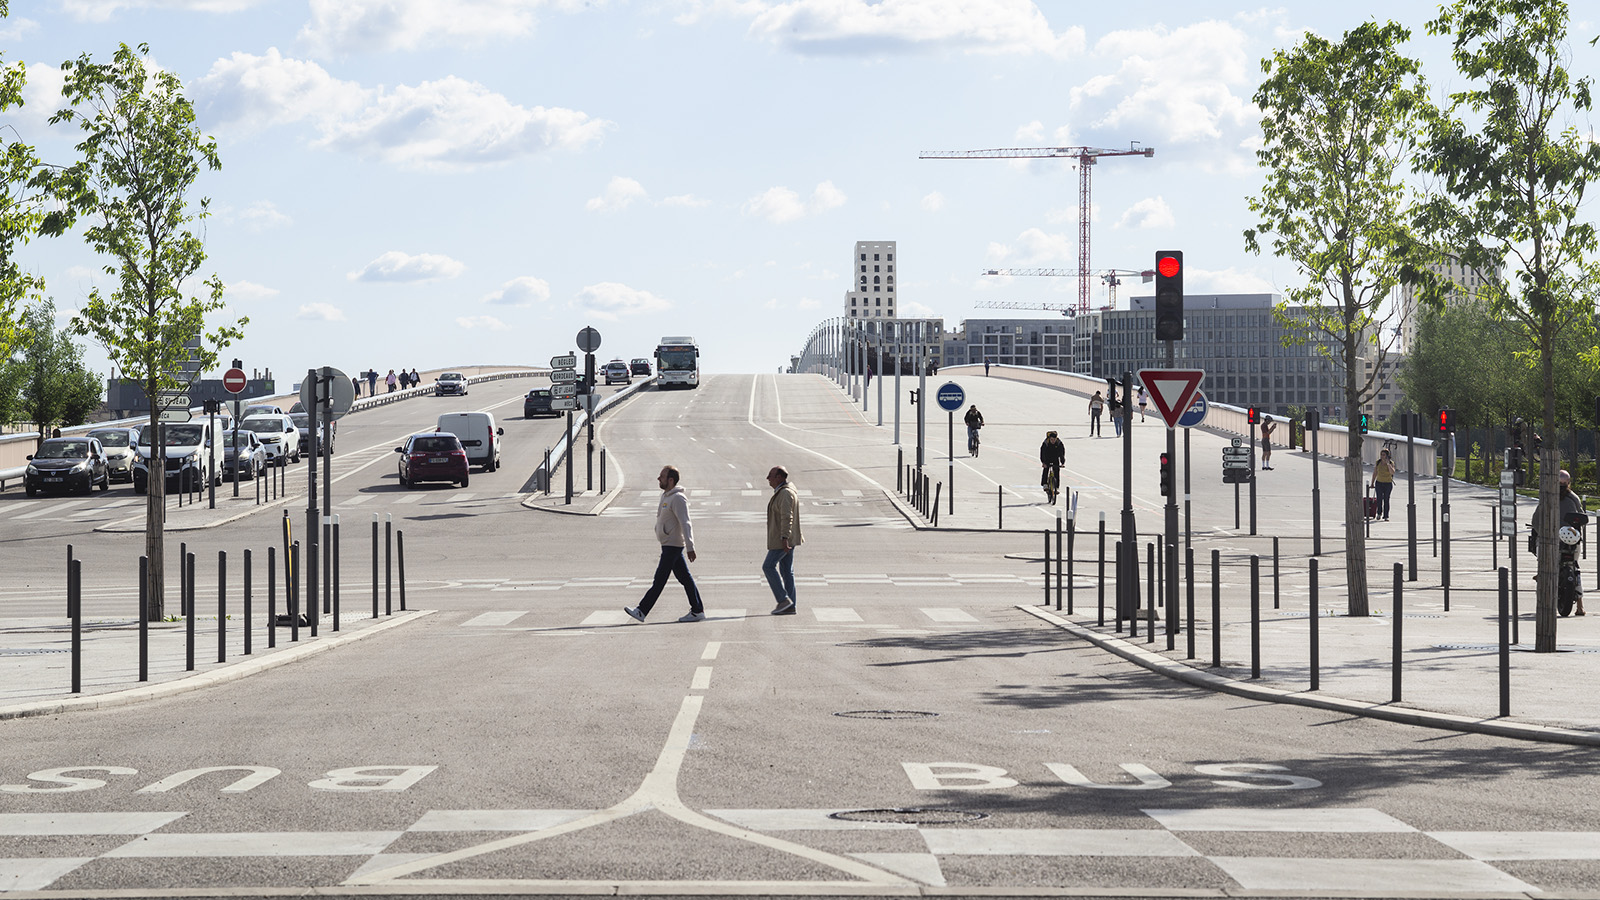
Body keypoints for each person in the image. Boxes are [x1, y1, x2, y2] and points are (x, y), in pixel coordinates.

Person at [625, 465, 705, 623]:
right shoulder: (666, 496)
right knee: (685, 578)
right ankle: (697, 610)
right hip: (668, 543)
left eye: (662, 476)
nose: (658, 478)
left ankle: (642, 610)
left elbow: (686, 523)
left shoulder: (678, 498)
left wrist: (690, 547)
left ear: (671, 480)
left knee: (659, 580)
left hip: (673, 545)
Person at [1531, 469, 1587, 615]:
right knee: (1575, 568)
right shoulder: (1574, 498)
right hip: (1572, 542)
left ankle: (1542, 601)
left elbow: (1536, 520)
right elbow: (1582, 517)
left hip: (1550, 541)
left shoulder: (1547, 497)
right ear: (1568, 483)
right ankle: (1580, 606)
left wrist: (1542, 533)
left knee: (1544, 568)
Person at [763, 465, 803, 615]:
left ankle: (783, 600)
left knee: (768, 566)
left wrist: (784, 538)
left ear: (779, 477)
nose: (768, 478)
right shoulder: (783, 491)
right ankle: (790, 605)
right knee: (786, 571)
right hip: (786, 538)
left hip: (783, 539)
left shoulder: (785, 493)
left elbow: (787, 517)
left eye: (771, 475)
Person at [1039, 430, 1065, 503]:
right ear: (1049, 439)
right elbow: (1042, 453)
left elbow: (1061, 453)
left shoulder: (1059, 443)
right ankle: (1044, 484)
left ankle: (1057, 487)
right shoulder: (1045, 443)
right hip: (1047, 458)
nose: (1053, 441)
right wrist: (1043, 462)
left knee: (1057, 471)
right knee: (1046, 469)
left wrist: (1062, 462)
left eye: (1054, 439)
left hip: (1055, 458)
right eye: (1051, 440)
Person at [1371, 448, 1396, 521]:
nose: (1382, 456)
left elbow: (1392, 472)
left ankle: (1386, 515)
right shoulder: (1378, 462)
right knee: (1379, 499)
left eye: (1384, 455)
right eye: (1381, 455)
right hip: (1379, 482)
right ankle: (1379, 513)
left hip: (1388, 483)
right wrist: (1372, 482)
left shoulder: (1391, 463)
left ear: (1387, 456)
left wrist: (1388, 464)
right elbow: (1375, 473)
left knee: (1386, 499)